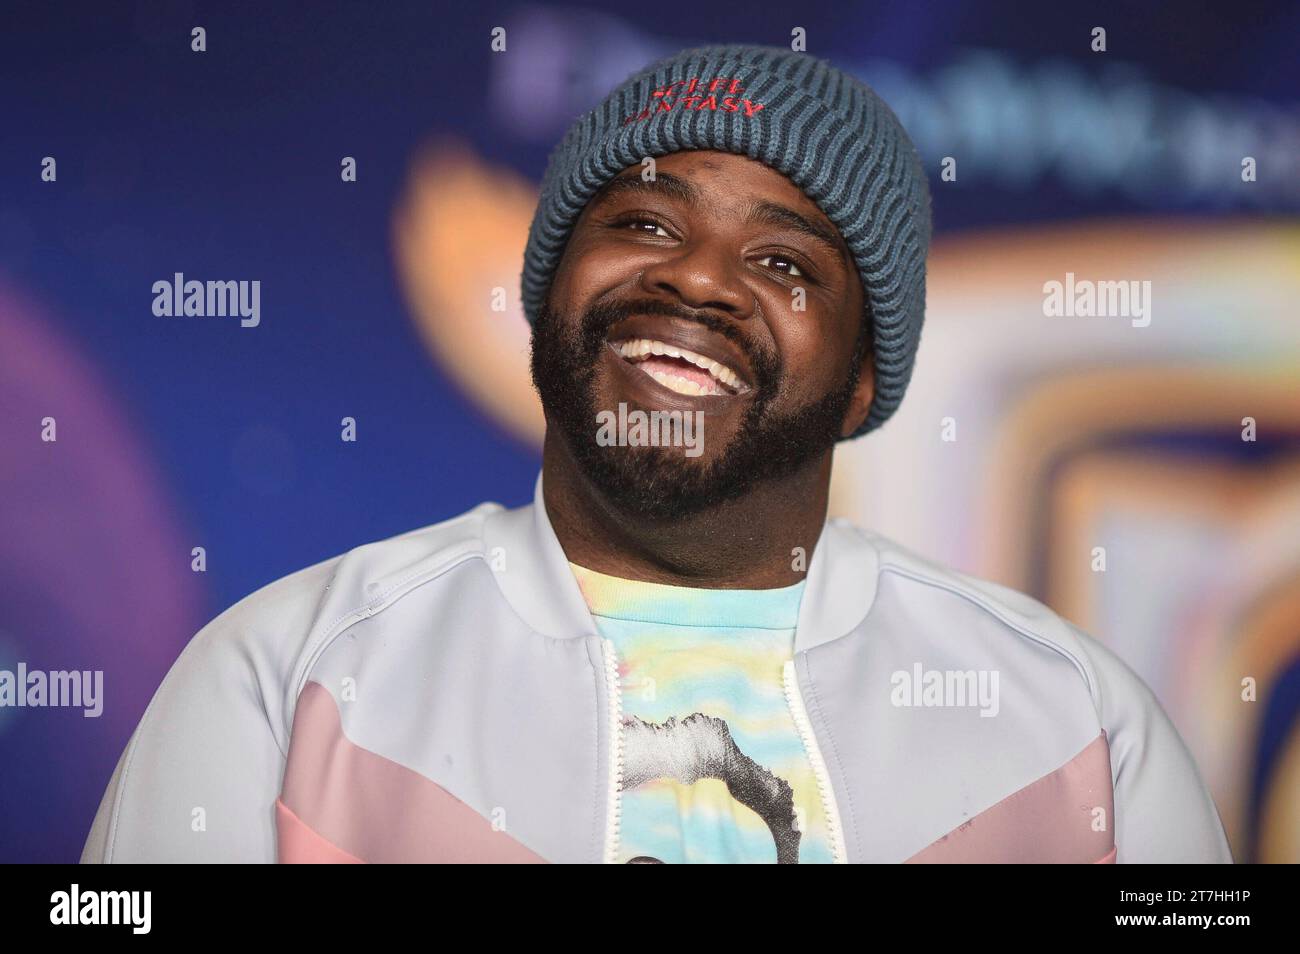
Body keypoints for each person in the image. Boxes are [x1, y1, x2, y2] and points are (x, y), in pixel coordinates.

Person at [81, 43, 1232, 864]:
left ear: (866, 379)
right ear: (544, 299)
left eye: (785, 263)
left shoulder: (1076, 721)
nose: (696, 276)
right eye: (642, 223)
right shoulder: (285, 676)